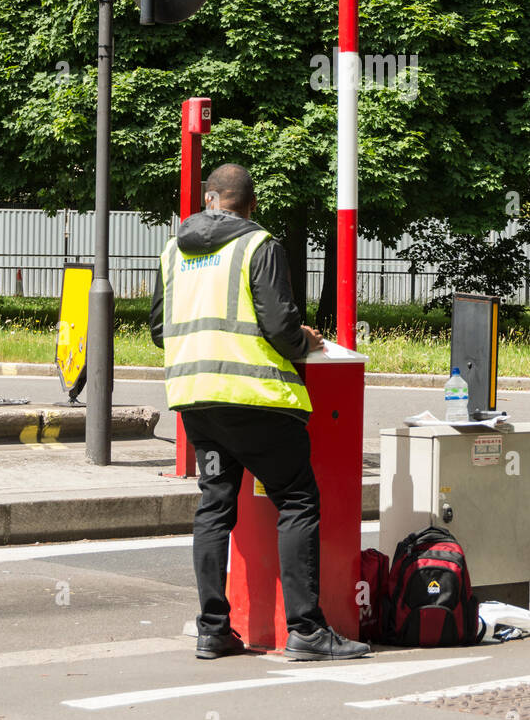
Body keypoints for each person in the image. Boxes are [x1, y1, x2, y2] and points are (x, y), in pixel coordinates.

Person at [150, 162, 371, 663]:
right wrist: (306, 340)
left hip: (195, 400)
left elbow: (159, 329)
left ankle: (213, 630)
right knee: (296, 499)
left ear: (209, 199)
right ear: (250, 204)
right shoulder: (259, 245)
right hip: (256, 399)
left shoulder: (173, 250)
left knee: (214, 507)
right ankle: (307, 631)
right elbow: (279, 325)